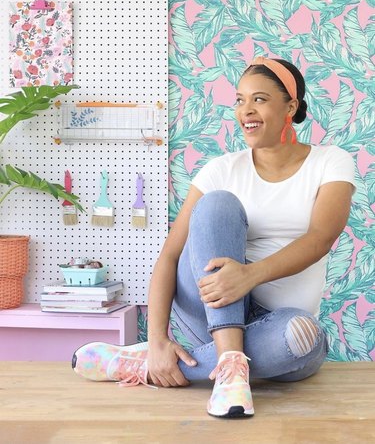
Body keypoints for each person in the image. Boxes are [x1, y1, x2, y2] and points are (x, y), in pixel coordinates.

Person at [71, 56, 356, 419]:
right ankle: (229, 363)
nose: (246, 111)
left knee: (302, 335)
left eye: (260, 99)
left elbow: (320, 239)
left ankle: (145, 364)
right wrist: (158, 337)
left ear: (291, 106)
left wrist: (249, 275)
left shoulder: (331, 162)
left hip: (281, 327)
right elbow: (170, 257)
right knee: (216, 204)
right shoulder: (222, 169)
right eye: (239, 100)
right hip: (211, 312)